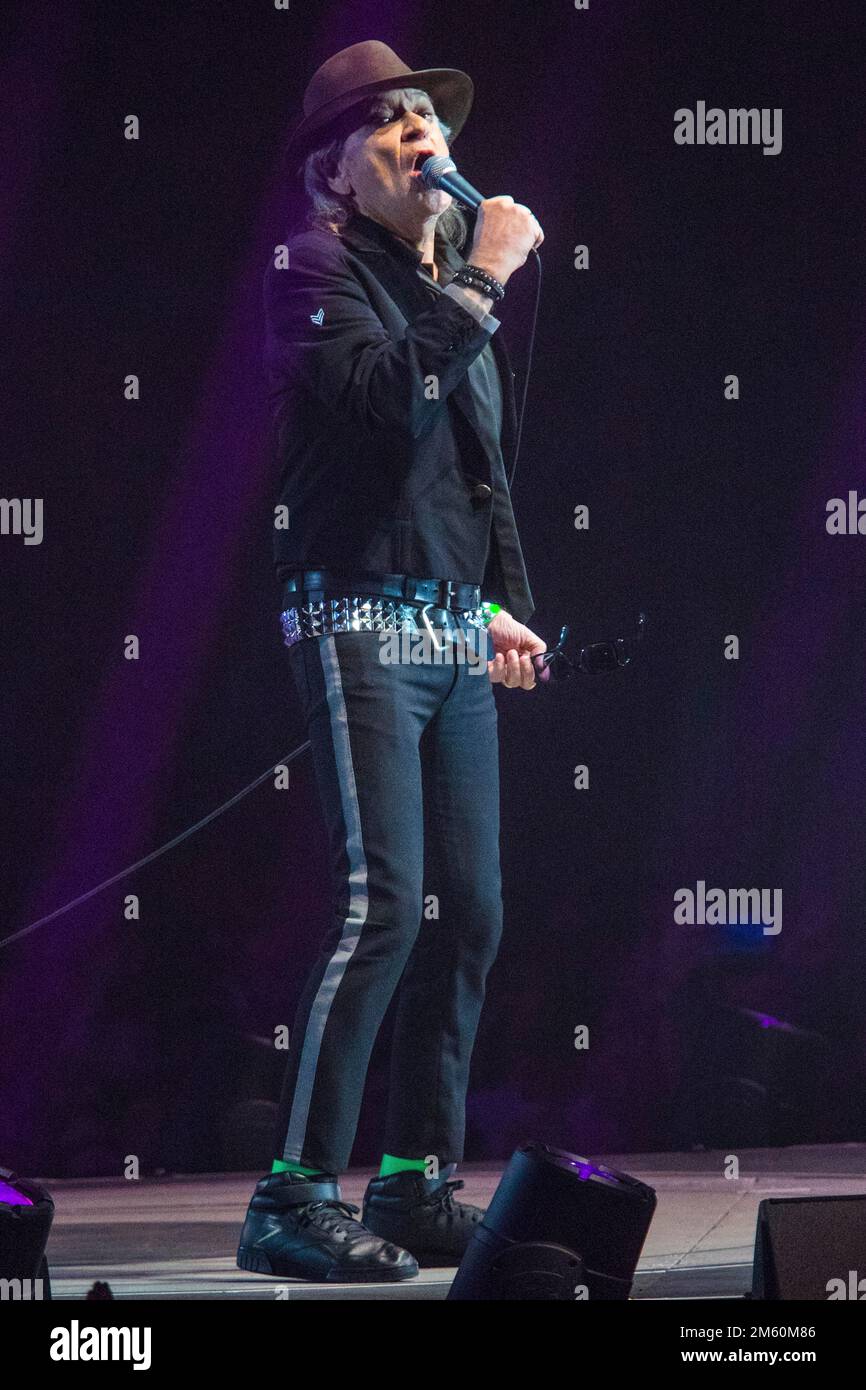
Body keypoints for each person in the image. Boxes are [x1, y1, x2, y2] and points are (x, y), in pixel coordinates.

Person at [237, 40, 546, 1284]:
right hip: (356, 614)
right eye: (390, 124)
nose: (421, 131)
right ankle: (292, 1196)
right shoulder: (313, 267)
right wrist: (476, 280)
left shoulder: (444, 299)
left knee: (468, 910)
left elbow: (479, 472)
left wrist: (504, 605)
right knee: (381, 904)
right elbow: (387, 401)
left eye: (429, 115)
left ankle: (416, 1178)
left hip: (444, 625)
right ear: (336, 174)